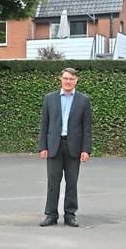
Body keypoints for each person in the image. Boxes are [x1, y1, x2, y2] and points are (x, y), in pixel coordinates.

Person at [38, 67, 92, 227]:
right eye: (66, 78)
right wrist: (42, 147)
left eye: (72, 79)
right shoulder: (50, 98)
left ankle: (70, 215)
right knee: (53, 182)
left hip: (74, 147)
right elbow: (44, 124)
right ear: (61, 79)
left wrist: (86, 149)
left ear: (76, 81)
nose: (68, 81)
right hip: (54, 145)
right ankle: (51, 215)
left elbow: (87, 127)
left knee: (72, 182)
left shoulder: (84, 100)